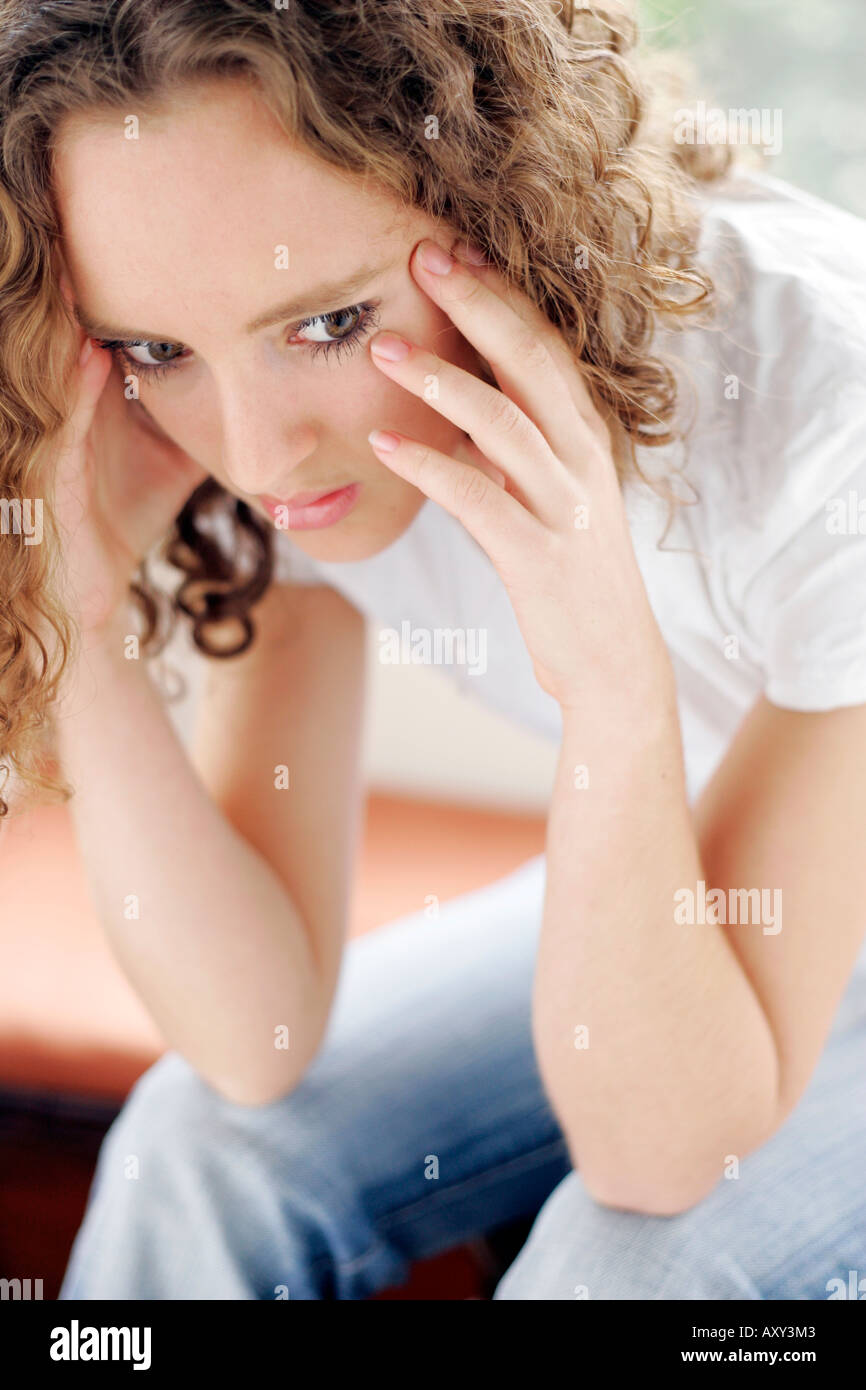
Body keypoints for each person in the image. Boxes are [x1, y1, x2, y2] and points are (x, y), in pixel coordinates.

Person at [1, 0, 865, 1300]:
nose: (253, 451)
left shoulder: (818, 407)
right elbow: (256, 1037)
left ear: (498, 207)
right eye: (155, 348)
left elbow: (661, 1154)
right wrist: (78, 597)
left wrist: (609, 692)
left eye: (327, 325)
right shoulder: (277, 451)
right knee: (201, 1148)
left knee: (620, 1271)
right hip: (726, 870)